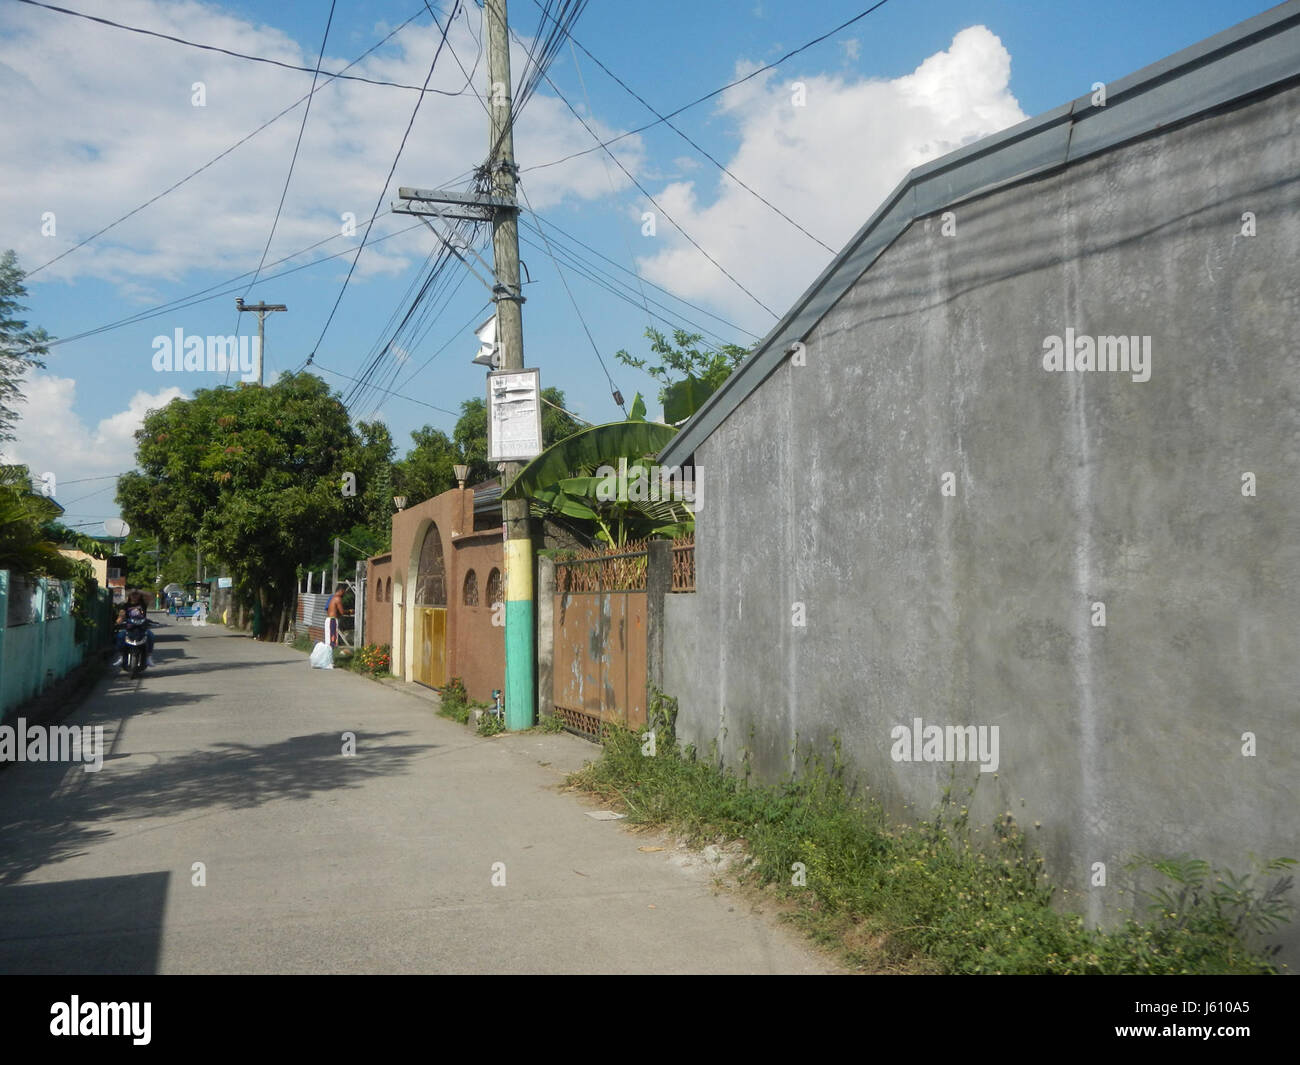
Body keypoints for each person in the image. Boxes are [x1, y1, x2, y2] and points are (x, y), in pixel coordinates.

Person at [115, 587, 156, 668]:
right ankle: (121, 657)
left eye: (136, 594)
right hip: (130, 629)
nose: (134, 596)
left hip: (142, 629)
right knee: (120, 636)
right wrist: (118, 620)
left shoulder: (143, 604)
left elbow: (150, 596)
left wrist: (137, 590)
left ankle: (148, 657)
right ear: (129, 596)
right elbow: (121, 616)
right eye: (132, 594)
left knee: (151, 636)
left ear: (139, 595)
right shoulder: (125, 605)